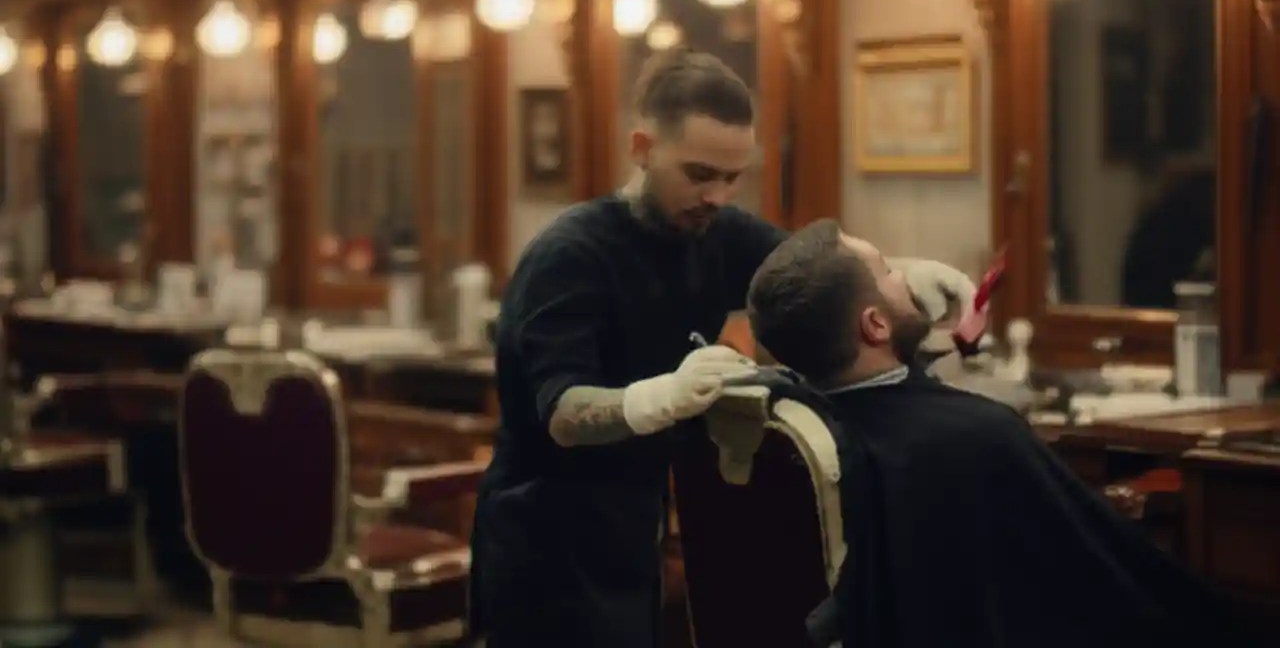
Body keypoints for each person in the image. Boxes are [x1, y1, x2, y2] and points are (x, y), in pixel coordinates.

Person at [468, 49, 979, 647]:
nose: (716, 195)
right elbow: (563, 415)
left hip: (634, 527)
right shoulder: (570, 256)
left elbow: (818, 275)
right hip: (542, 542)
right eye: (699, 173)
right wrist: (661, 396)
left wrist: (904, 276)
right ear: (642, 148)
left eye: (731, 178)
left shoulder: (717, 233)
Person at [745, 219, 1259, 648]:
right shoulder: (976, 435)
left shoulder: (800, 421)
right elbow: (1094, 579)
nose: (906, 277)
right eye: (890, 272)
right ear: (875, 325)